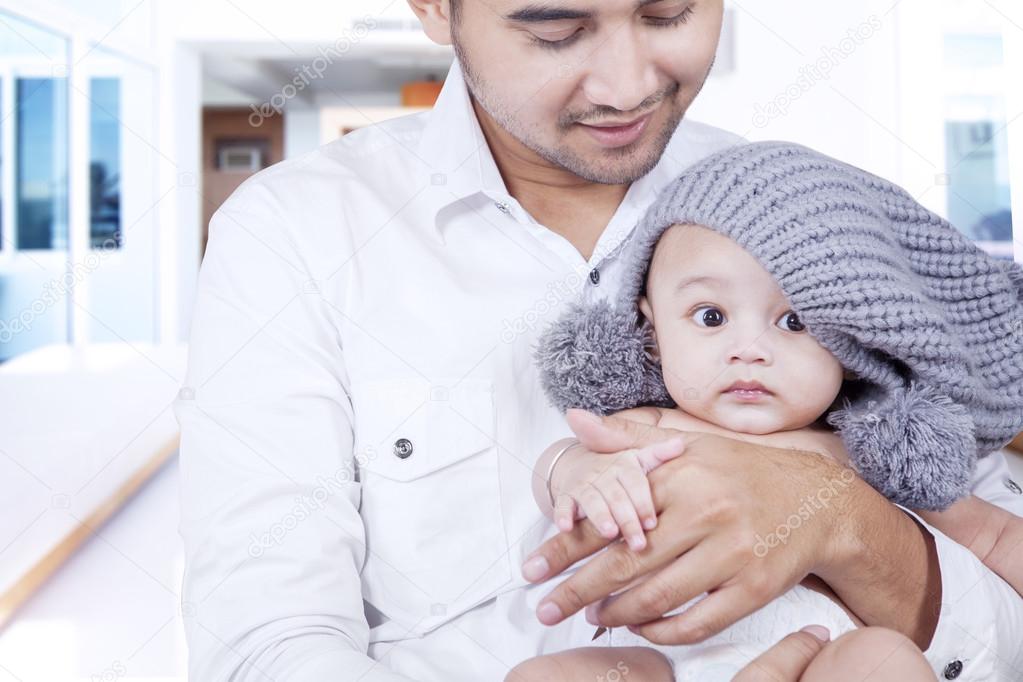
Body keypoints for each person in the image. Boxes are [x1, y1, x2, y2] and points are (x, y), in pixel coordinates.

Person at [173, 1, 1023, 679]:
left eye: (667, 13)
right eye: (556, 28)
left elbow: (1002, 590)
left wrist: (842, 519)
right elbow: (267, 643)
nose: (626, 86)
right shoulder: (295, 232)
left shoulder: (802, 207)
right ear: (432, 6)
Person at [514, 141, 1023, 679]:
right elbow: (562, 465)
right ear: (652, 332)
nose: (749, 350)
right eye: (711, 317)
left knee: (884, 661)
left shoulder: (872, 454)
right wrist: (580, 473)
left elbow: (992, 536)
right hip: (659, 659)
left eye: (793, 322)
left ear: (850, 349)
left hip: (821, 655)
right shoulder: (651, 429)